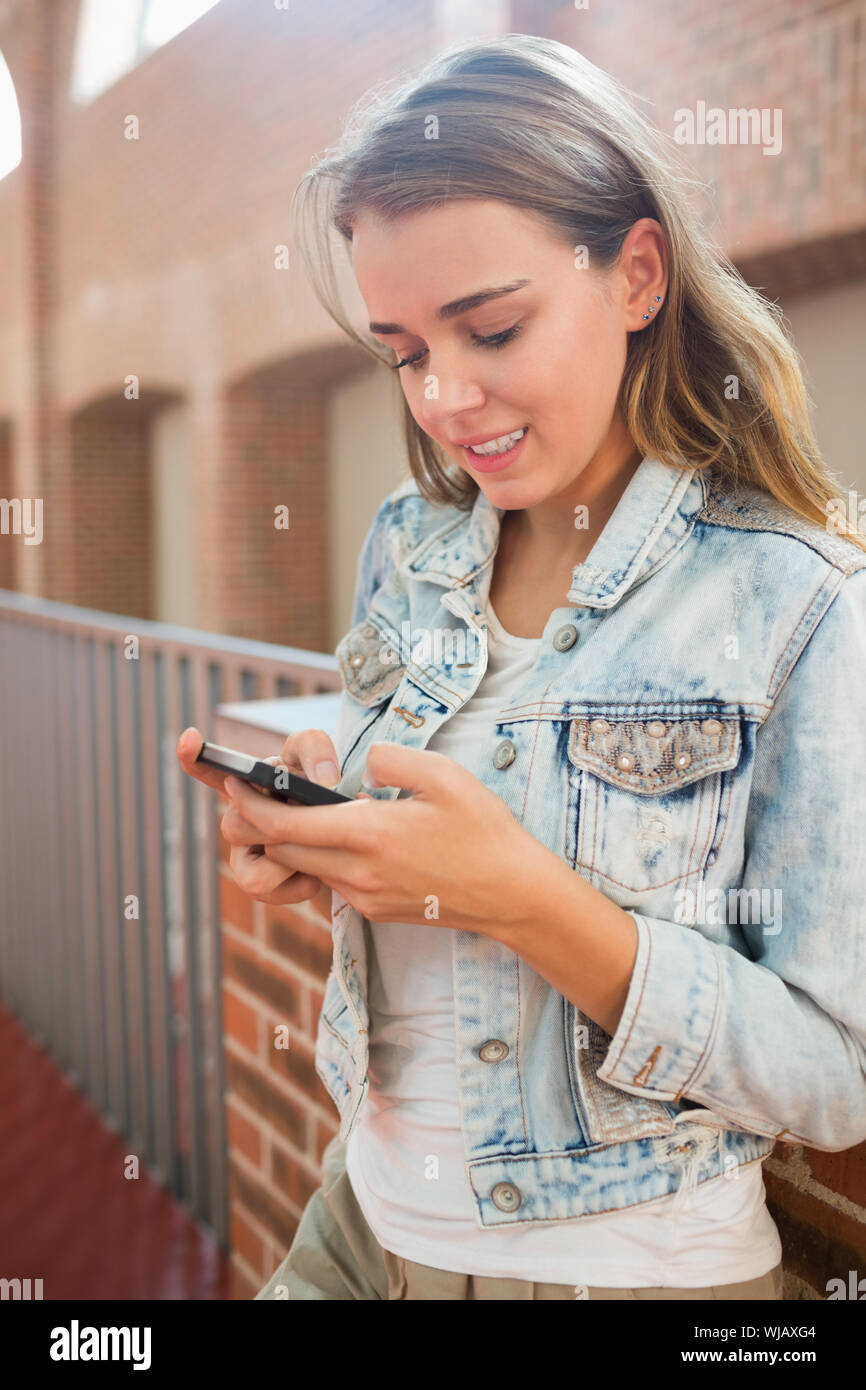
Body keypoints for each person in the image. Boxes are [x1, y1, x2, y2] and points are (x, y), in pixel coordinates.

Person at [178, 34, 866, 1300]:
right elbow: (420, 869)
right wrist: (322, 837)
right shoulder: (409, 544)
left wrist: (520, 897)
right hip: (359, 1221)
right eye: (401, 350)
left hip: (621, 1274)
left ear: (637, 275)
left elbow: (832, 1074)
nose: (442, 395)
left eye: (489, 327)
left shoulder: (796, 598)